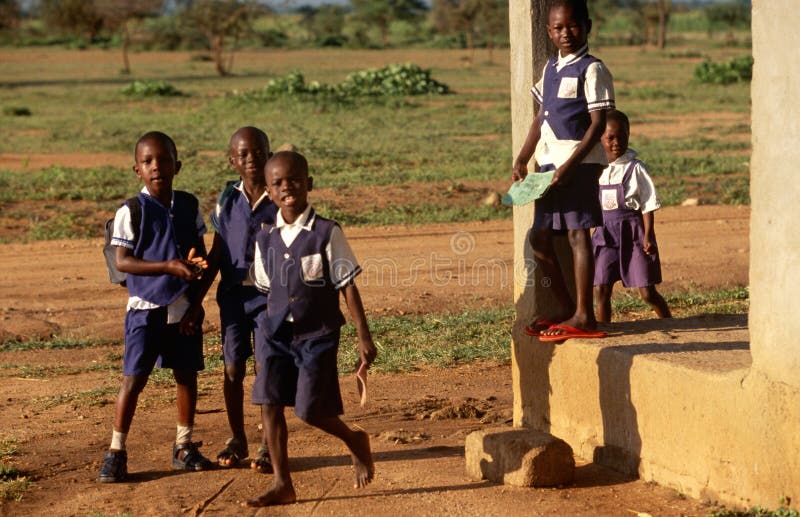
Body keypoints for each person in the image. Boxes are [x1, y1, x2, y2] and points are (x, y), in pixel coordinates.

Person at [245, 150, 377, 507]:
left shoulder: (326, 232)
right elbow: (264, 286)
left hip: (317, 333)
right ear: (269, 193)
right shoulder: (266, 237)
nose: (287, 187)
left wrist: (363, 335)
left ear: (309, 184)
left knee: (310, 409)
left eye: (294, 180)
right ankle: (281, 482)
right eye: (278, 183)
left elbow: (347, 284)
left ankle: (353, 440)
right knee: (269, 403)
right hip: (275, 334)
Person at [98, 131, 212, 483]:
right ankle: (116, 451)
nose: (156, 167)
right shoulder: (131, 210)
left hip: (183, 306)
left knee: (186, 375)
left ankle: (183, 446)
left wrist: (196, 301)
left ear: (177, 165)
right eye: (148, 161)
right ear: (137, 170)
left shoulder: (189, 205)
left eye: (164, 160)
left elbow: (201, 256)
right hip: (145, 307)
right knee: (133, 380)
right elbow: (123, 261)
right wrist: (167, 266)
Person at [512, 0, 615, 342]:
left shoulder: (593, 69)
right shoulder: (551, 69)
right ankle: (565, 306)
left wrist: (570, 166)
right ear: (548, 32)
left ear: (587, 26)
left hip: (579, 165)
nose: (565, 33)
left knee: (577, 235)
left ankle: (584, 315)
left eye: (572, 26)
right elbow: (541, 117)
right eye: (557, 28)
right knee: (540, 236)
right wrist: (523, 157)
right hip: (549, 167)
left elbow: (598, 123)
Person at [188, 127, 277, 471]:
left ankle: (268, 442)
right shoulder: (228, 199)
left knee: (266, 368)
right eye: (243, 155)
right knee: (233, 368)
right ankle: (237, 436)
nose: (251, 159)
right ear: (232, 160)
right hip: (233, 298)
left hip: (270, 298)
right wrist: (198, 299)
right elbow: (218, 250)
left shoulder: (278, 196)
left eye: (258, 153)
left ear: (268, 154)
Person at [593, 110, 671, 321]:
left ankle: (669, 323)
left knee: (647, 292)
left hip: (633, 233)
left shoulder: (635, 168)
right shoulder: (595, 168)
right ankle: (605, 331)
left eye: (622, 137)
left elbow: (647, 204)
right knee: (601, 288)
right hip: (605, 234)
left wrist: (648, 235)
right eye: (610, 138)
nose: (617, 142)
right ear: (600, 137)